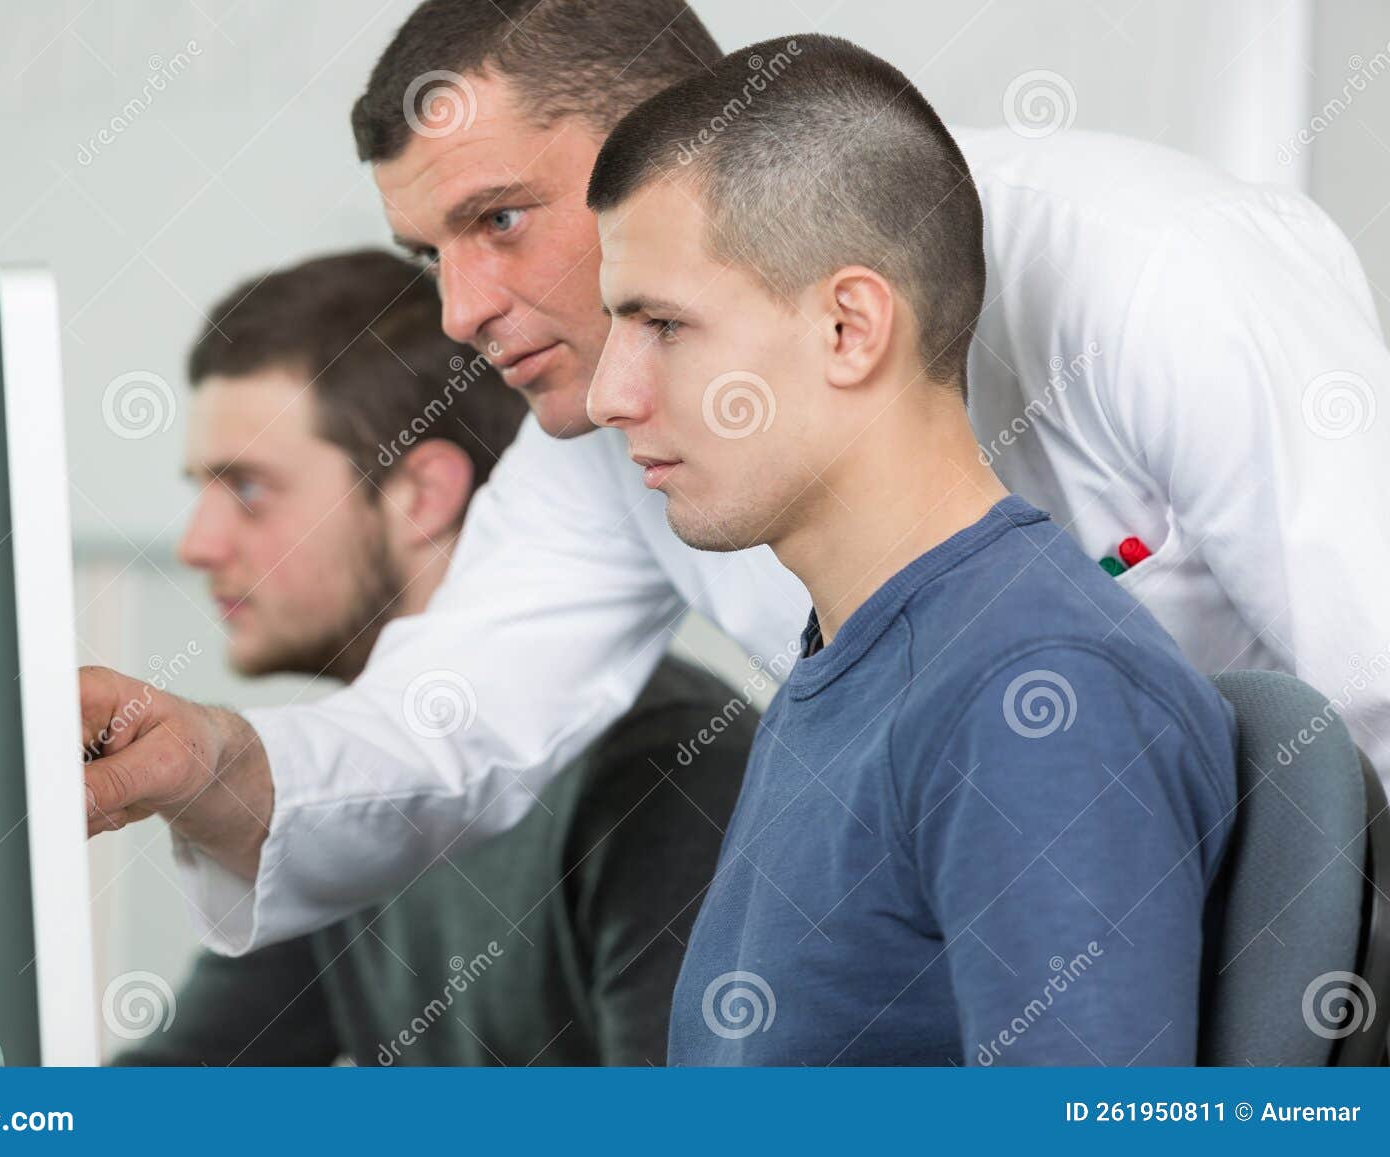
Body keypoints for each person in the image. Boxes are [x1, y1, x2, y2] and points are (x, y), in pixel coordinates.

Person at [79, 0, 1390, 956]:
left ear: (667, 146)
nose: (461, 311)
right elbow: (441, 732)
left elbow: (1377, 684)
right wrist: (204, 760)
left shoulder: (1161, 270)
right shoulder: (602, 426)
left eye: (499, 219)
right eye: (431, 255)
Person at [585, 33, 1236, 1066]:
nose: (606, 395)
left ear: (850, 329)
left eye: (662, 323)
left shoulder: (1035, 696)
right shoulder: (854, 660)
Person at [113, 250, 752, 1066]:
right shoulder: (331, 801)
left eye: (247, 489)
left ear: (422, 494)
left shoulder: (672, 773)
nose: (196, 545)